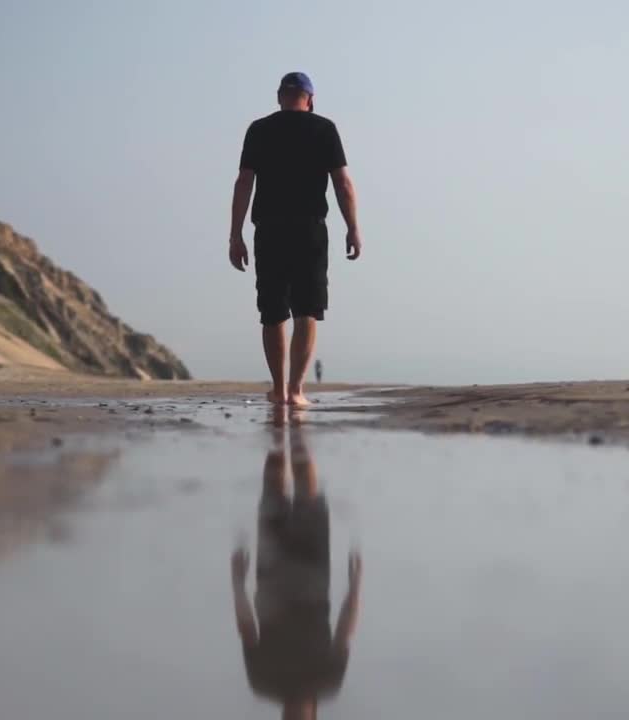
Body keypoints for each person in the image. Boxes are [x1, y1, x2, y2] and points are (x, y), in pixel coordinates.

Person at [229, 72, 362, 408]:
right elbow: (343, 183)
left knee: (272, 311)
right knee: (307, 309)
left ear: (280, 97)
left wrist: (235, 235)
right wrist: (353, 227)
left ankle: (278, 389)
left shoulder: (259, 130)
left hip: (269, 229)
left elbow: (244, 182)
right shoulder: (324, 129)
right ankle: (296, 390)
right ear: (310, 99)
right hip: (310, 229)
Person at [231, 421, 362, 719]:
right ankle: (299, 427)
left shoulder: (263, 682)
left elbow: (247, 631)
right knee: (308, 492)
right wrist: (355, 587)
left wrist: (237, 582)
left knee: (272, 488)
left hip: (271, 573)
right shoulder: (327, 681)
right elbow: (344, 633)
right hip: (314, 569)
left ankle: (280, 423)